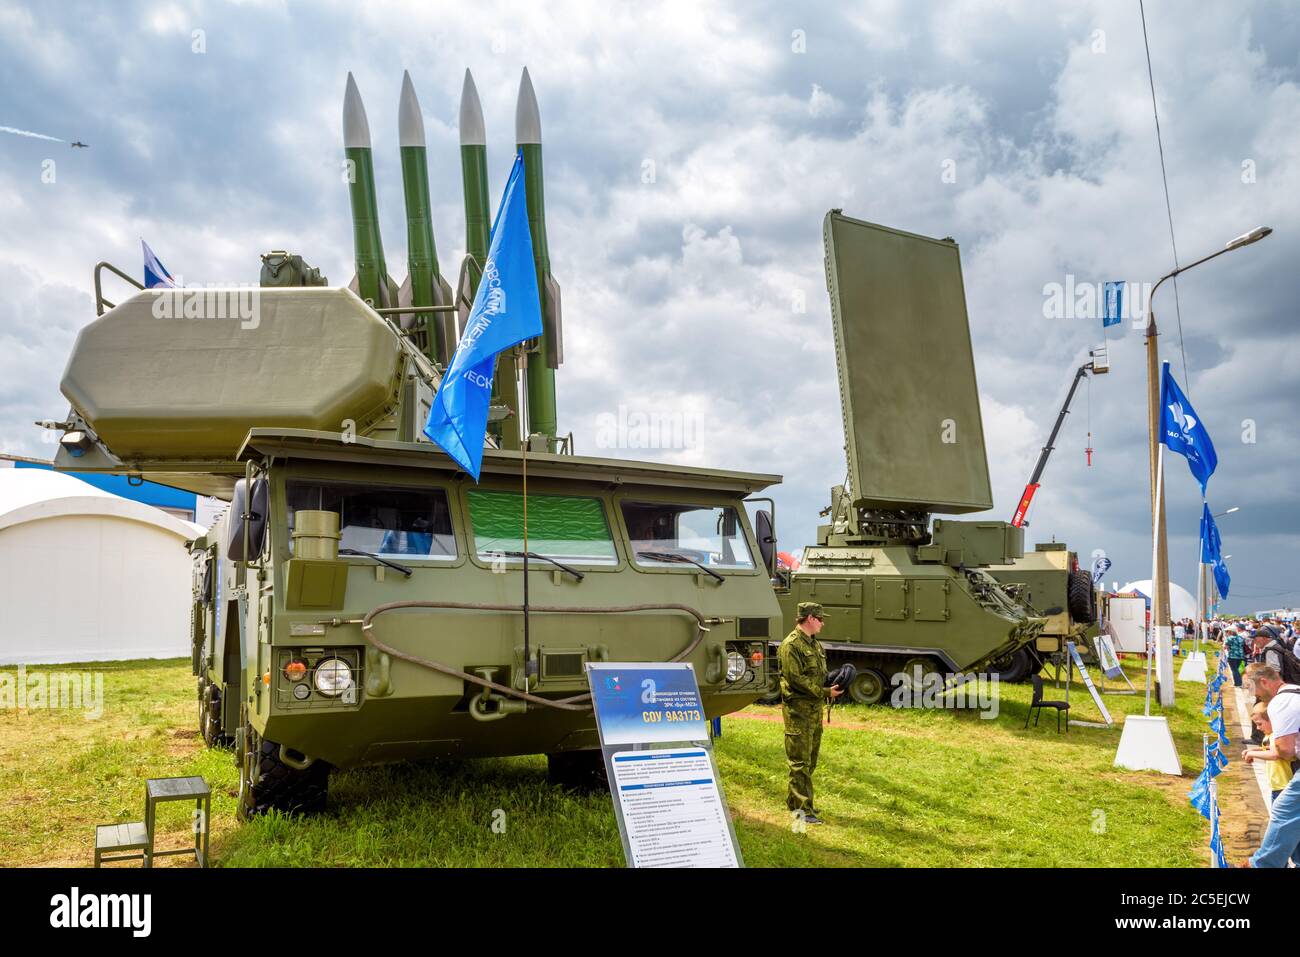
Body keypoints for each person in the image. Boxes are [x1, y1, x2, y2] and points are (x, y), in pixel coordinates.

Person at [778, 601, 843, 825]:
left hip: (814, 712)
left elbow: (816, 675)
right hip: (798, 712)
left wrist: (834, 679)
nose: (823, 623)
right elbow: (796, 679)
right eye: (820, 619)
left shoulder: (815, 645)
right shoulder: (791, 645)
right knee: (799, 763)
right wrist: (825, 691)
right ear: (810, 619)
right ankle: (802, 812)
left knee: (810, 761)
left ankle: (794, 801)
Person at [1242, 663, 1300, 867]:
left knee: (1284, 812)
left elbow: (1285, 750)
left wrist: (1260, 751)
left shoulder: (1280, 702)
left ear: (1264, 682)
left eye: (1250, 687)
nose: (1252, 693)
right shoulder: (1295, 691)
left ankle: (1261, 865)